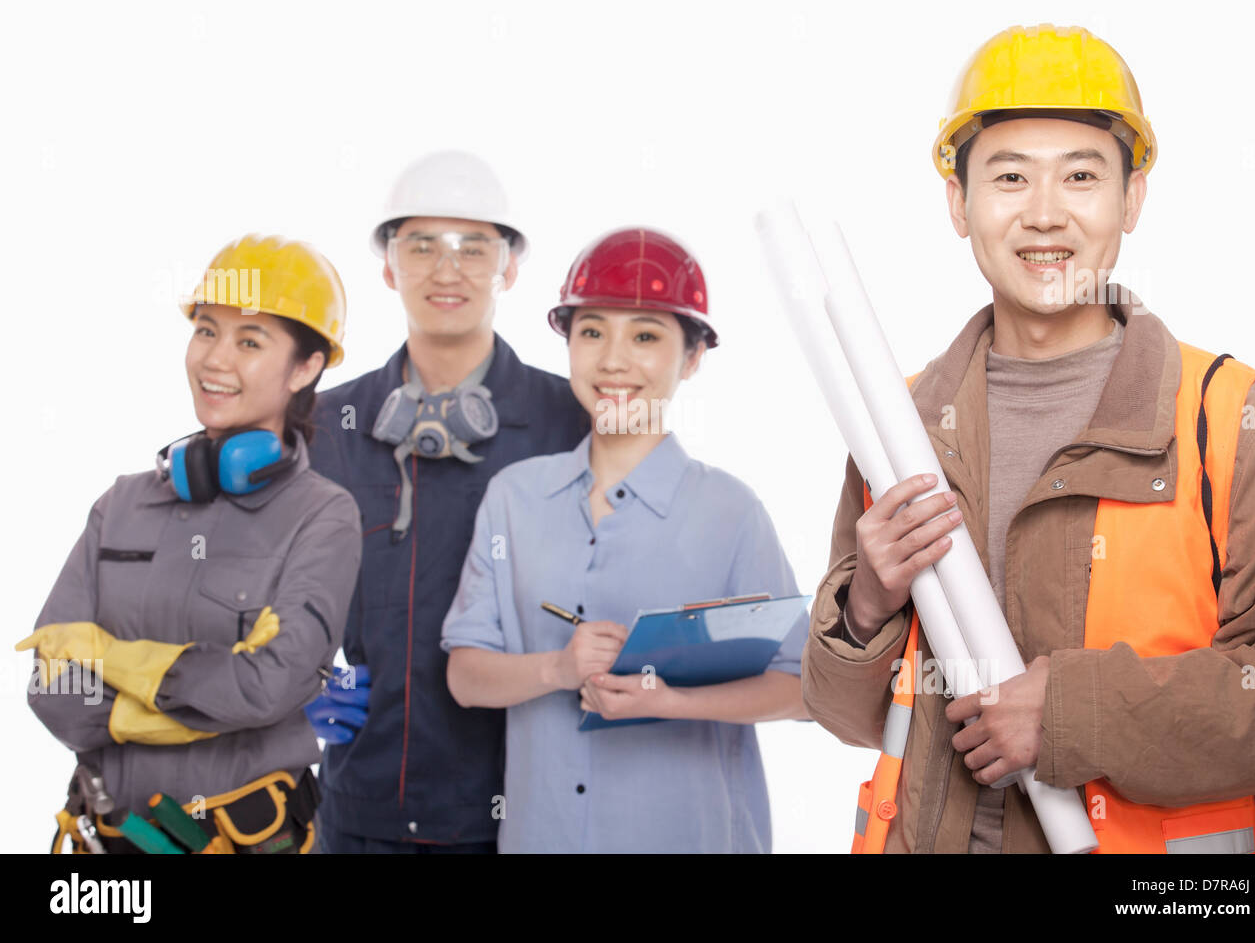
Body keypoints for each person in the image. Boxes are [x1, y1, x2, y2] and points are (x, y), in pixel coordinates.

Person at [802, 23, 1255, 854]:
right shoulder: (904, 422)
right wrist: (865, 608)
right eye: (1008, 177)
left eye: (1080, 175)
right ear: (959, 204)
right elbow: (845, 715)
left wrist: (1074, 714)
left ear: (1131, 199)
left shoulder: (1234, 421)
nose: (1043, 214)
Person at [441, 226, 808, 853]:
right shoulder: (513, 499)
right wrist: (558, 667)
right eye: (592, 332)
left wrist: (666, 700)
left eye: (645, 335)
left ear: (692, 357)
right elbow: (465, 676)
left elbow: (804, 689)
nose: (613, 360)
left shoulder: (730, 511)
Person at [18, 234, 362, 854]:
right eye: (206, 330)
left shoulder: (323, 518)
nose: (215, 359)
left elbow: (268, 686)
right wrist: (204, 699)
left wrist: (115, 666)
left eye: (249, 341)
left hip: (247, 841)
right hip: (110, 857)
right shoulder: (119, 506)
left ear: (306, 367)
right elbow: (51, 690)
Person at [306, 151, 589, 853]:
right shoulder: (325, 427)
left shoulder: (569, 421)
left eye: (474, 247)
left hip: (523, 812)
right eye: (421, 245)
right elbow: (260, 590)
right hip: (359, 812)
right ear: (388, 266)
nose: (447, 268)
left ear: (510, 268)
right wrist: (295, 684)